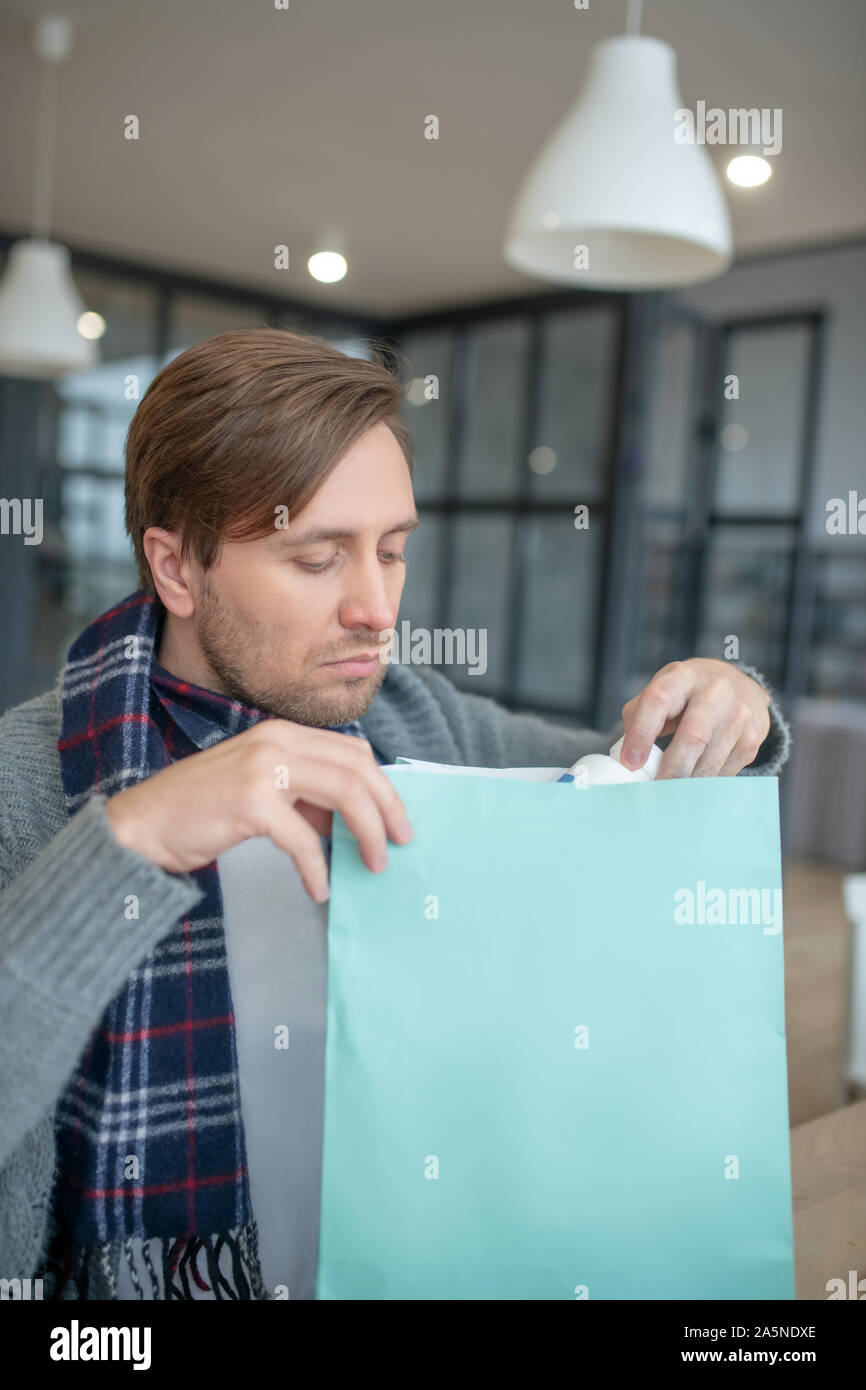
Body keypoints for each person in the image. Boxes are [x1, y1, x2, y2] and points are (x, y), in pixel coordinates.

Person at [0, 329, 790, 1300]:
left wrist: (725, 705)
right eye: (317, 558)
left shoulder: (421, 719)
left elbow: (651, 785)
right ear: (176, 568)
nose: (376, 608)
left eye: (391, 550)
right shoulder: (24, 783)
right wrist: (126, 845)